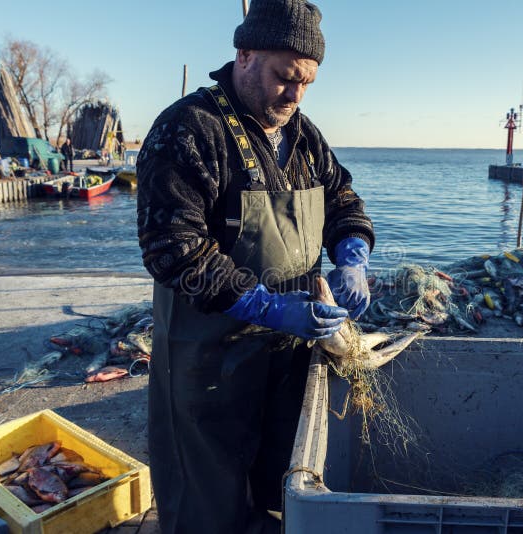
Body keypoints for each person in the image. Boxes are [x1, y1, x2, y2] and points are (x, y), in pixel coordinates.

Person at [135, 1, 374, 532]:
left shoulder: (305, 138)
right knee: (206, 500)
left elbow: (344, 202)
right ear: (244, 55)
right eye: (284, 78)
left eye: (307, 83)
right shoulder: (189, 130)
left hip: (285, 360)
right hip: (208, 364)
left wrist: (352, 253)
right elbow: (170, 247)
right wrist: (262, 304)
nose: (294, 95)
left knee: (279, 484)